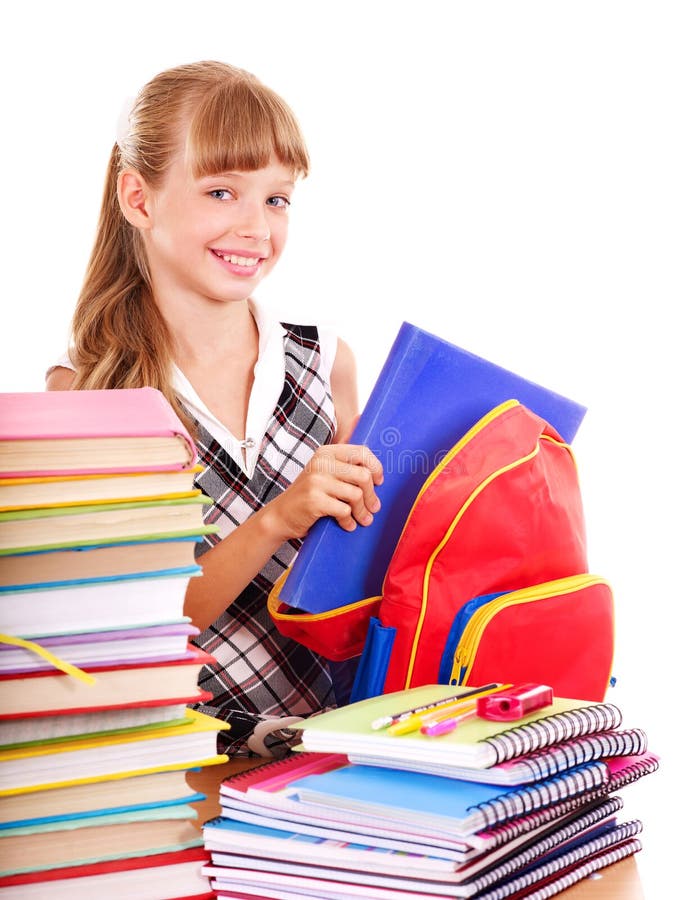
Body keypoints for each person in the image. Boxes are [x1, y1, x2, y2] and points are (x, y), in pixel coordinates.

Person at [46, 60, 383, 757]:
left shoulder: (324, 361)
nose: (255, 228)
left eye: (276, 199)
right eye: (222, 191)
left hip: (350, 751)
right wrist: (277, 519)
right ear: (138, 200)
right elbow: (135, 623)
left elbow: (365, 580)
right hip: (187, 764)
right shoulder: (87, 394)